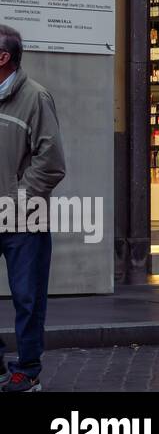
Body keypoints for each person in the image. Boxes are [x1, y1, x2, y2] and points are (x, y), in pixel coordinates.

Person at [0, 24, 66, 391]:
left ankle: (28, 370)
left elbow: (52, 162)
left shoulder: (36, 98)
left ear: (3, 57)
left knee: (27, 297)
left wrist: (17, 201)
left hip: (24, 217)